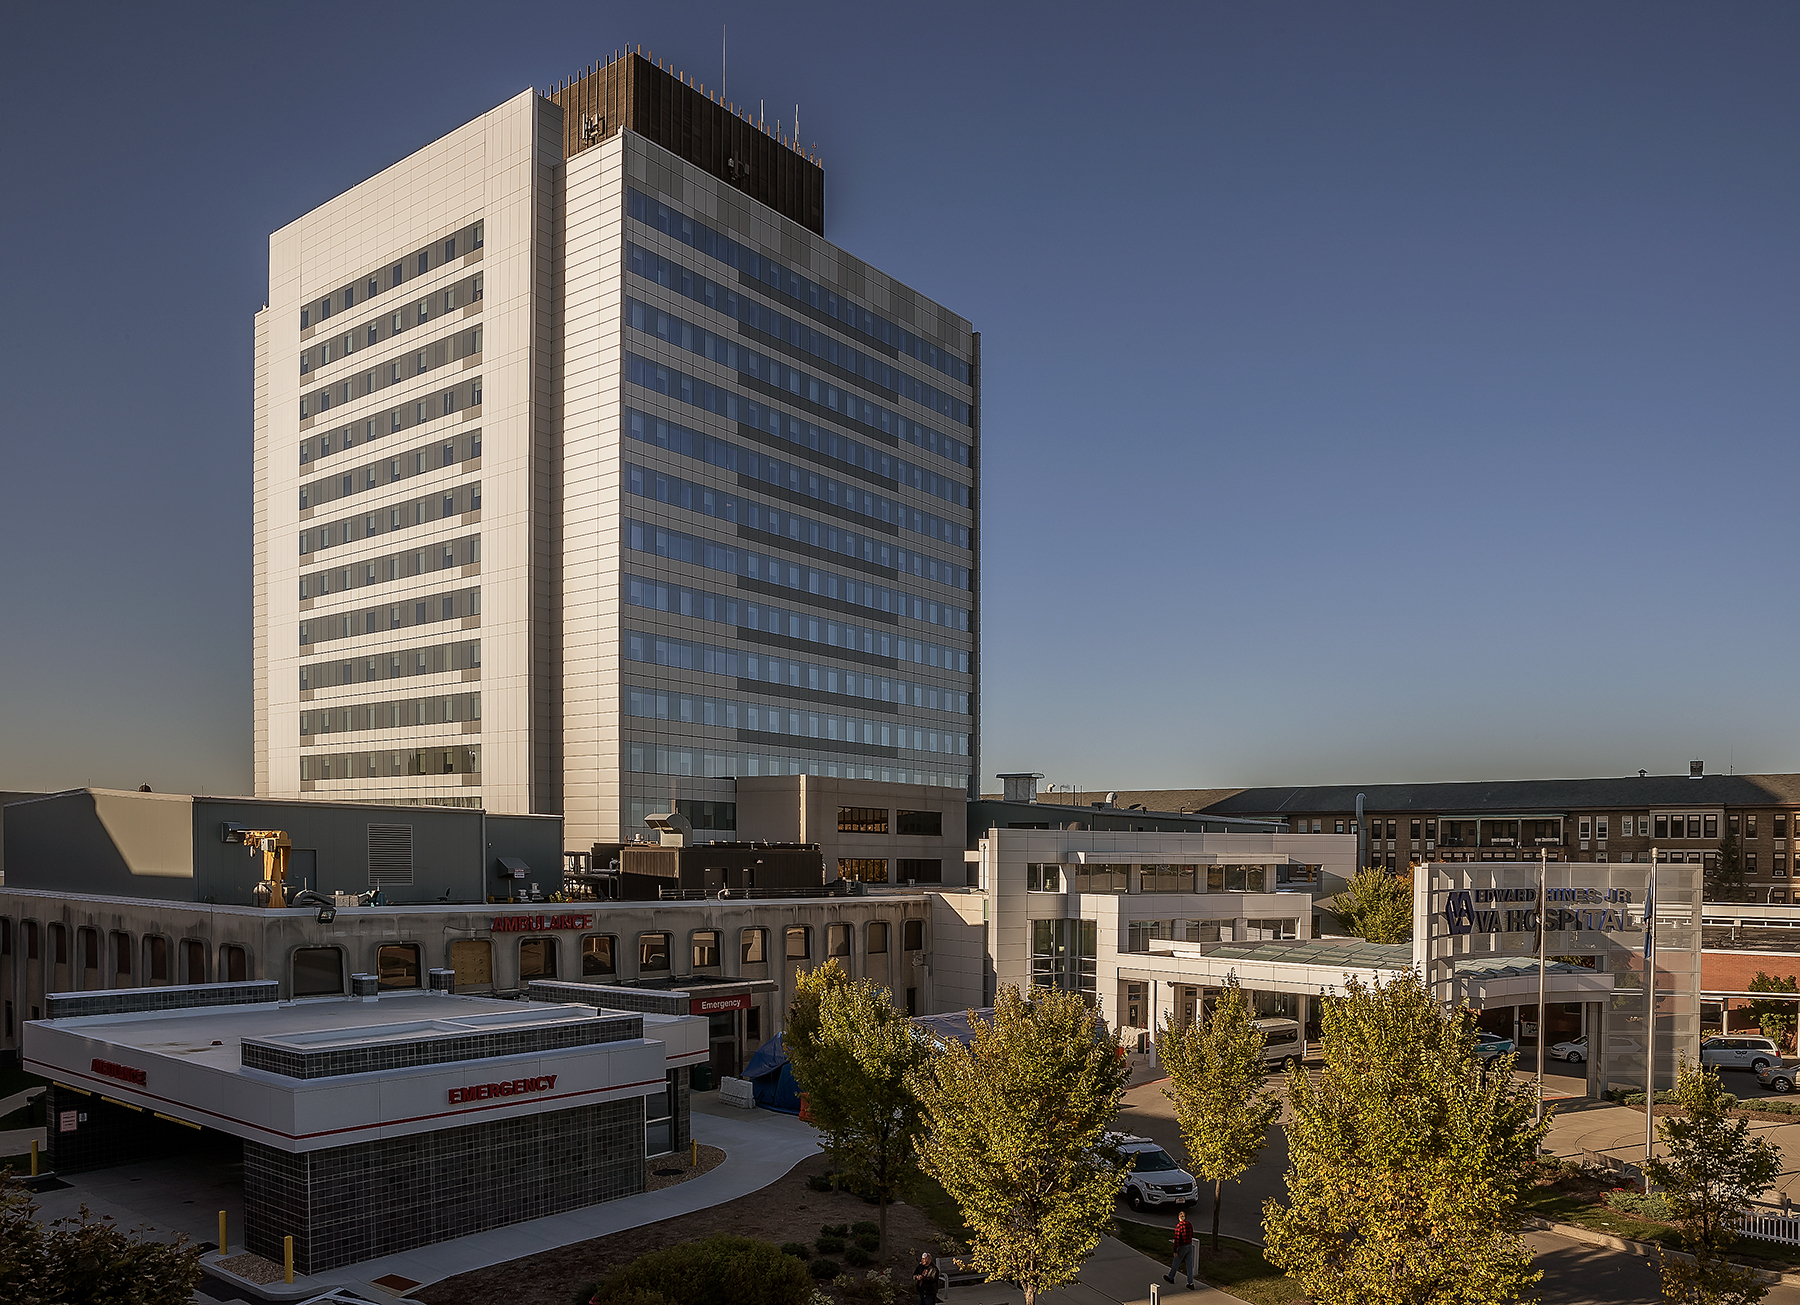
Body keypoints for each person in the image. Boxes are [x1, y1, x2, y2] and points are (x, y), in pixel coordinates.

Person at [1164, 1210, 1198, 1289]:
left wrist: (1175, 1250)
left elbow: (1177, 1239)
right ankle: (1190, 1283)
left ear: (1179, 1217)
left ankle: (1171, 1277)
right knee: (1189, 1265)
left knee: (1176, 1262)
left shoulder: (1179, 1226)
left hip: (1182, 1246)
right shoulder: (1189, 1224)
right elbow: (1192, 1234)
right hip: (1189, 1245)